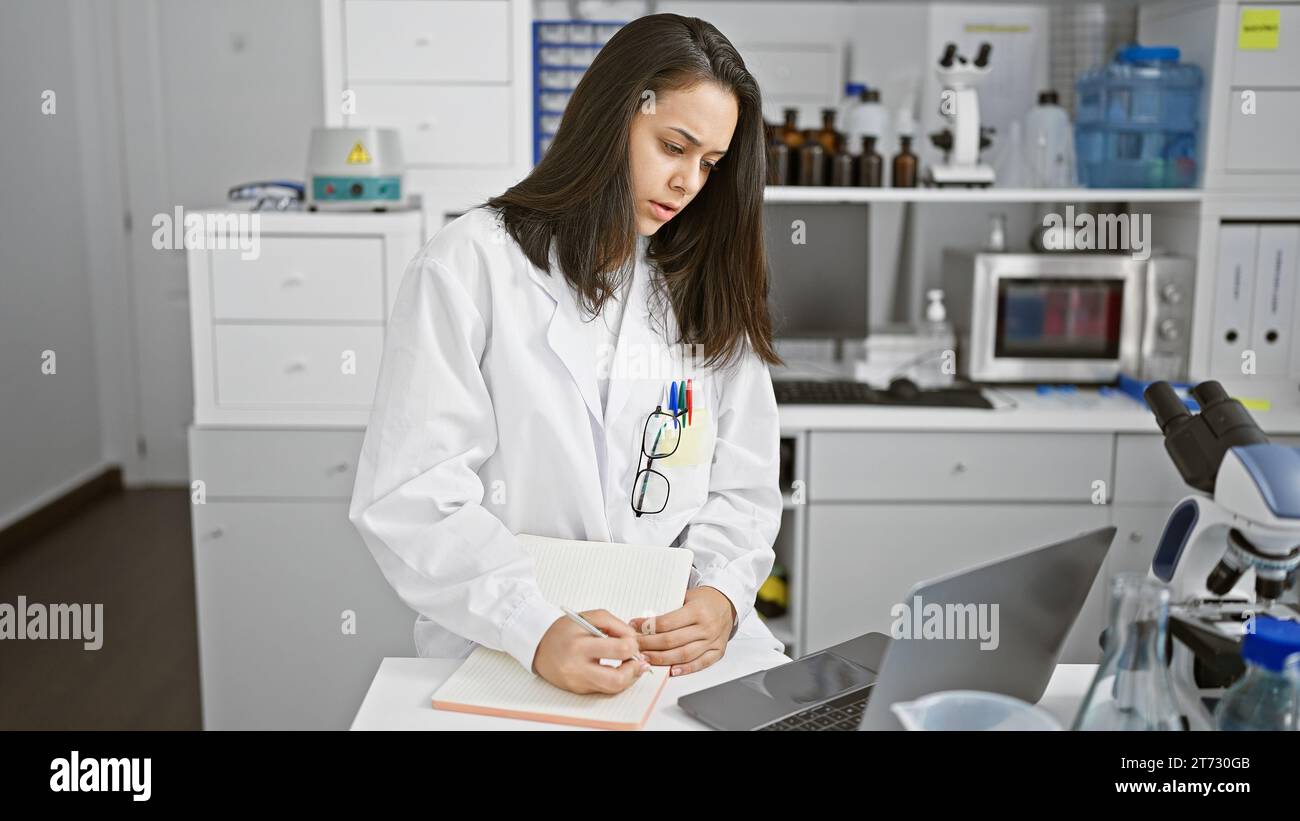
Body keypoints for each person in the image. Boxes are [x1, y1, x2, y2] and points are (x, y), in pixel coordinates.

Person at [348, 13, 783, 696]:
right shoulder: (470, 265)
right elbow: (413, 492)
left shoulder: (702, 277)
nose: (688, 183)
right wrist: (532, 625)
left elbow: (745, 486)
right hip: (508, 642)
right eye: (674, 146)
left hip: (667, 647)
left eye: (710, 165)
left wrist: (720, 596)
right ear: (612, 116)